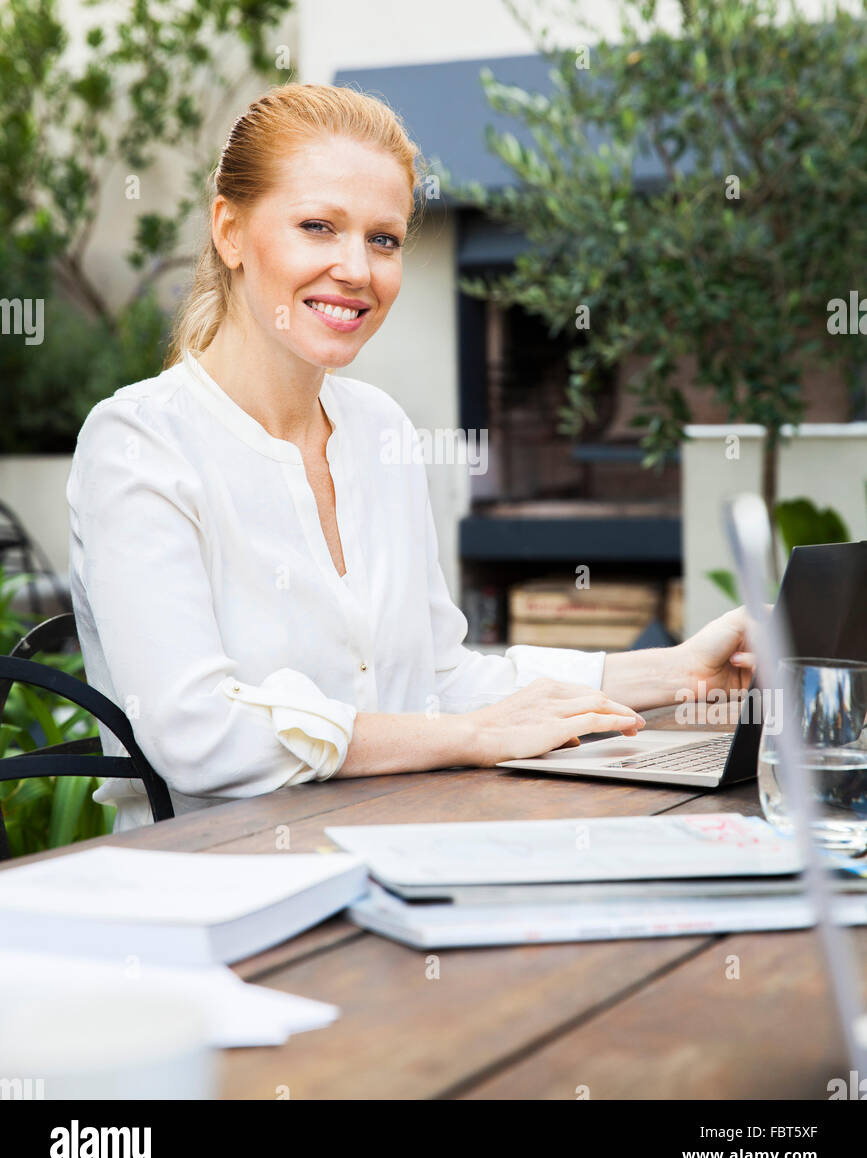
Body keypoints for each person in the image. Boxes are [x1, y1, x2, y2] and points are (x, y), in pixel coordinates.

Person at [67, 83, 755, 832]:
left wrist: (677, 671)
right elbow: (195, 733)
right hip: (218, 886)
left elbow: (440, 677)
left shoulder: (379, 430)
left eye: (383, 239)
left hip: (398, 846)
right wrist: (467, 740)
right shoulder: (138, 442)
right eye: (317, 227)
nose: (356, 269)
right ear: (229, 232)